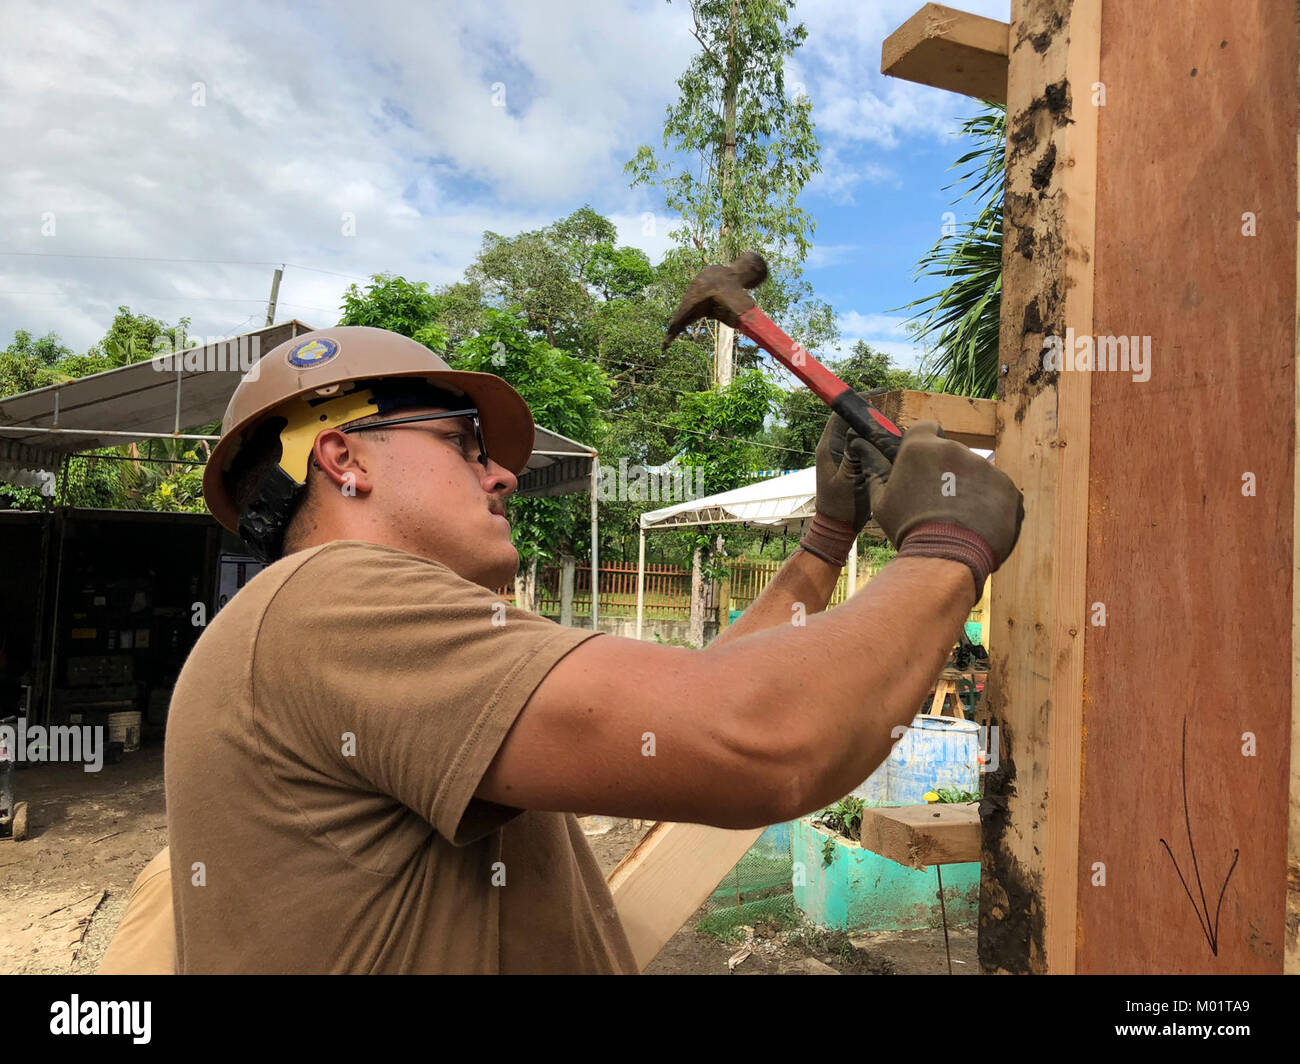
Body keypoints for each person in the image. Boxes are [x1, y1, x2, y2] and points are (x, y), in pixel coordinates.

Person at [156, 325, 1021, 974]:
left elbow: (703, 696)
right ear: (343, 456)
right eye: (463, 441)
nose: (500, 474)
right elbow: (761, 737)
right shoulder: (336, 602)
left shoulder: (308, 623)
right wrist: (950, 547)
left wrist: (826, 539)